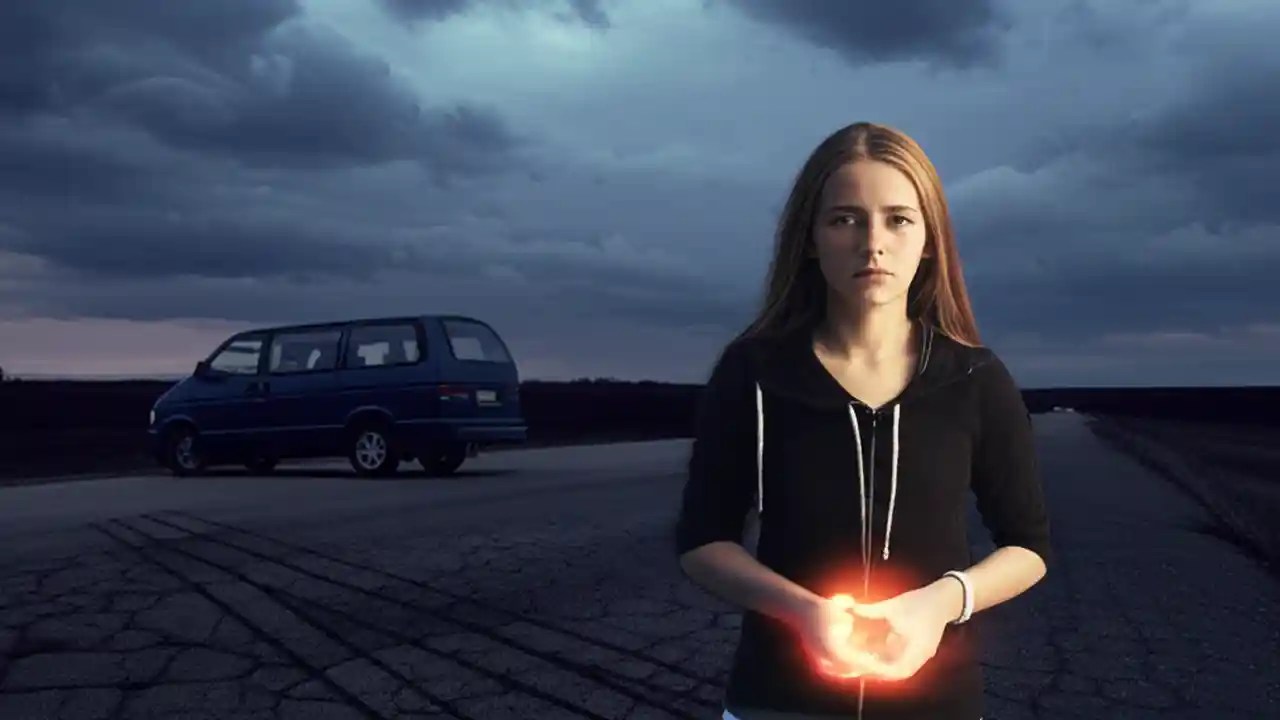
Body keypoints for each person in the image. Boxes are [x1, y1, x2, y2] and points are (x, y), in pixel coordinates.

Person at [674, 122, 1052, 720]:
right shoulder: (754, 371)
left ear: (929, 239)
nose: (872, 242)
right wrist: (804, 611)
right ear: (810, 238)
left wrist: (940, 603)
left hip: (938, 705)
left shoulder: (976, 379)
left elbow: (1028, 546)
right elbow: (702, 541)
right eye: (845, 219)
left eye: (898, 219)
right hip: (778, 702)